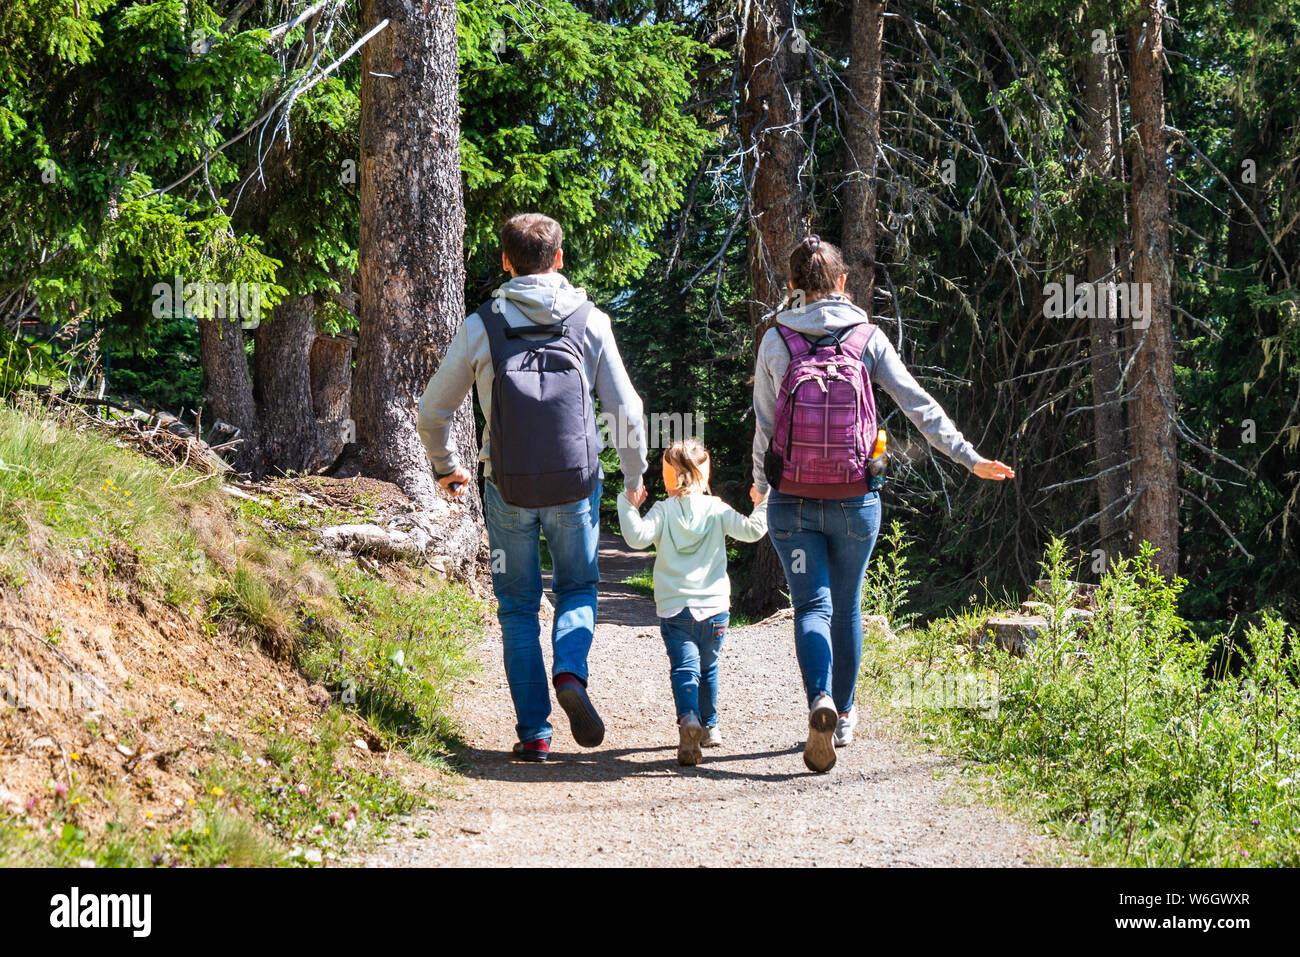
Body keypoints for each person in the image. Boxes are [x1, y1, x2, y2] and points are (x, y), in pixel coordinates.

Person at [752, 235, 1015, 773]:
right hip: (855, 498)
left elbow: (763, 424)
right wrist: (968, 458)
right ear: (844, 282)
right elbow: (919, 405)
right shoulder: (867, 338)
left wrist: (761, 484)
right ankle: (844, 713)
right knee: (847, 607)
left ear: (793, 287)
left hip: (793, 500)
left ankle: (818, 699)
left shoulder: (776, 339)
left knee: (811, 608)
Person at [418, 212, 648, 763]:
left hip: (506, 488)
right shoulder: (590, 321)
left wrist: (447, 466)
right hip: (575, 486)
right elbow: (628, 413)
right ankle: (570, 670)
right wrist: (636, 478)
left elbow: (433, 409)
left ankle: (535, 734)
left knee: (518, 606)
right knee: (577, 587)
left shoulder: (481, 326)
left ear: (504, 261)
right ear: (560, 259)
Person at [616, 439, 768, 765]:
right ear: (704, 473)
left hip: (675, 608)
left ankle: (689, 720)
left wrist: (627, 503)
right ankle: (710, 728)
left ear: (669, 476)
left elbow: (636, 538)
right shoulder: (717, 508)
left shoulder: (663, 510)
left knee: (684, 669)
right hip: (715, 608)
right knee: (708, 667)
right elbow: (753, 531)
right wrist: (764, 501)